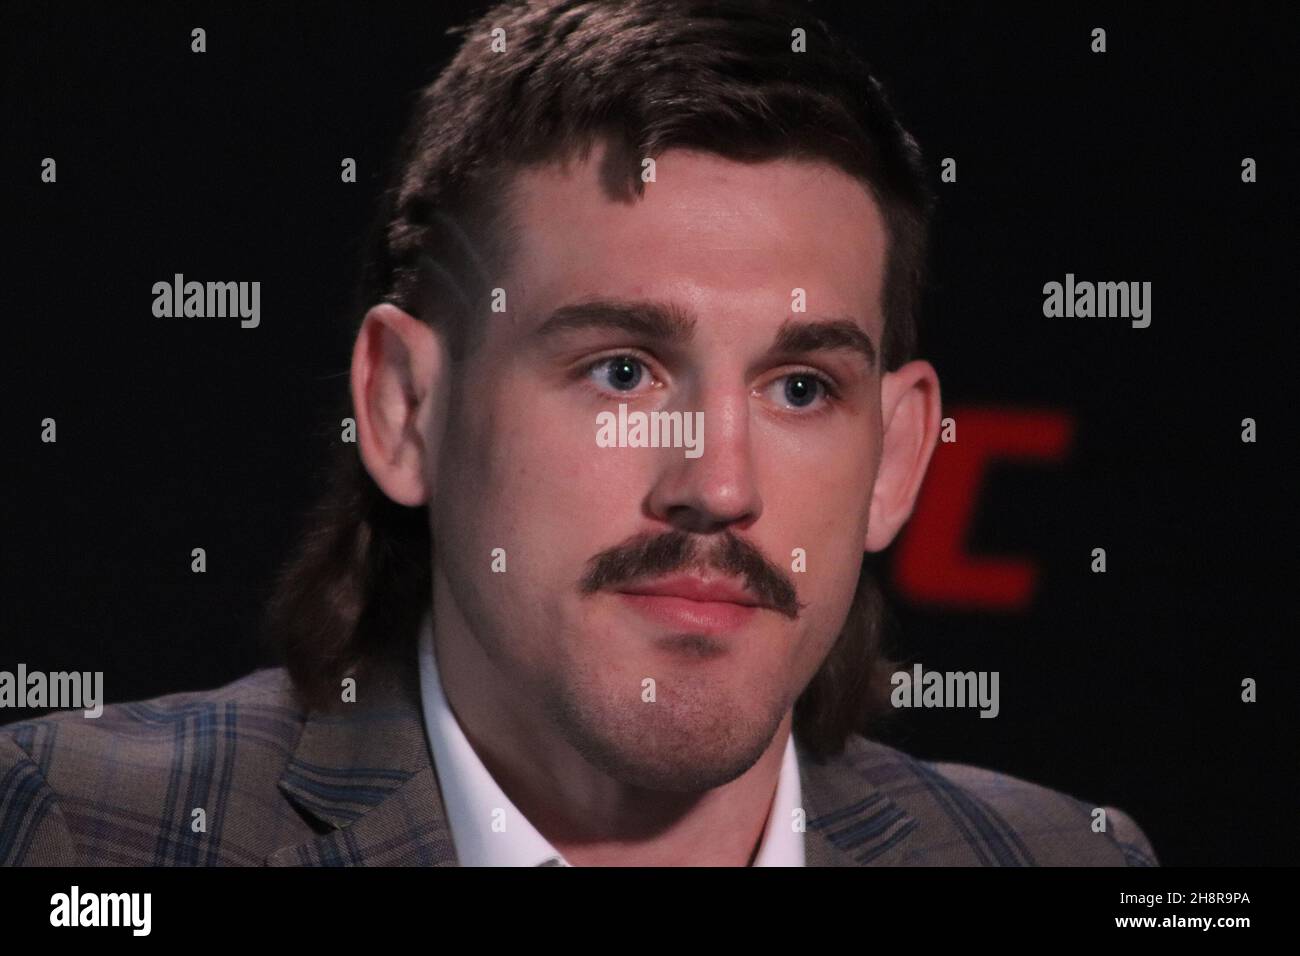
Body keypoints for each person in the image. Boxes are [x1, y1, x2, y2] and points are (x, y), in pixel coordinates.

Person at [0, 0, 1156, 867]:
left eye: (800, 387)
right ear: (406, 408)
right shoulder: (90, 835)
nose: (716, 483)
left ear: (899, 457)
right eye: (621, 369)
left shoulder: (1067, 860)